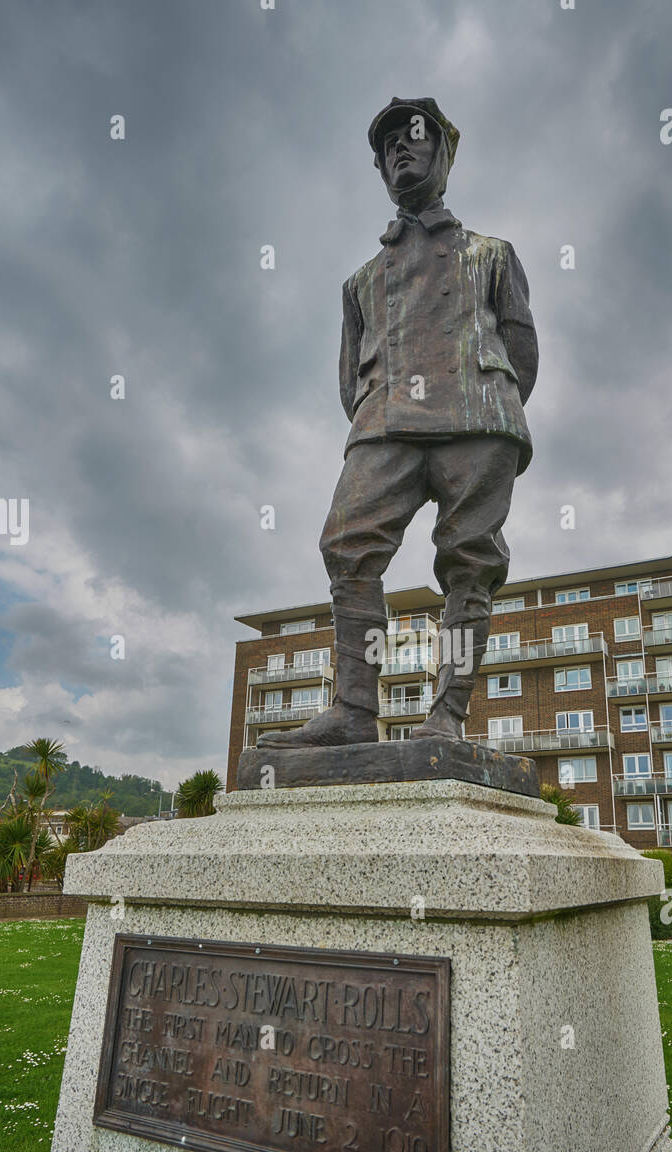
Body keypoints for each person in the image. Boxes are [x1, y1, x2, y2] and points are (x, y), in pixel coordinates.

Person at [260, 97, 538, 747]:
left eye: (415, 138)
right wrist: (375, 416)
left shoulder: (492, 253)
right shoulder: (359, 282)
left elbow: (522, 351)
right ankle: (354, 709)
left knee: (469, 561)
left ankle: (447, 713)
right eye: (388, 146)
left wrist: (489, 405)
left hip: (477, 415)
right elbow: (347, 379)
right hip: (385, 423)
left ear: (444, 156)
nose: (400, 151)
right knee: (346, 544)